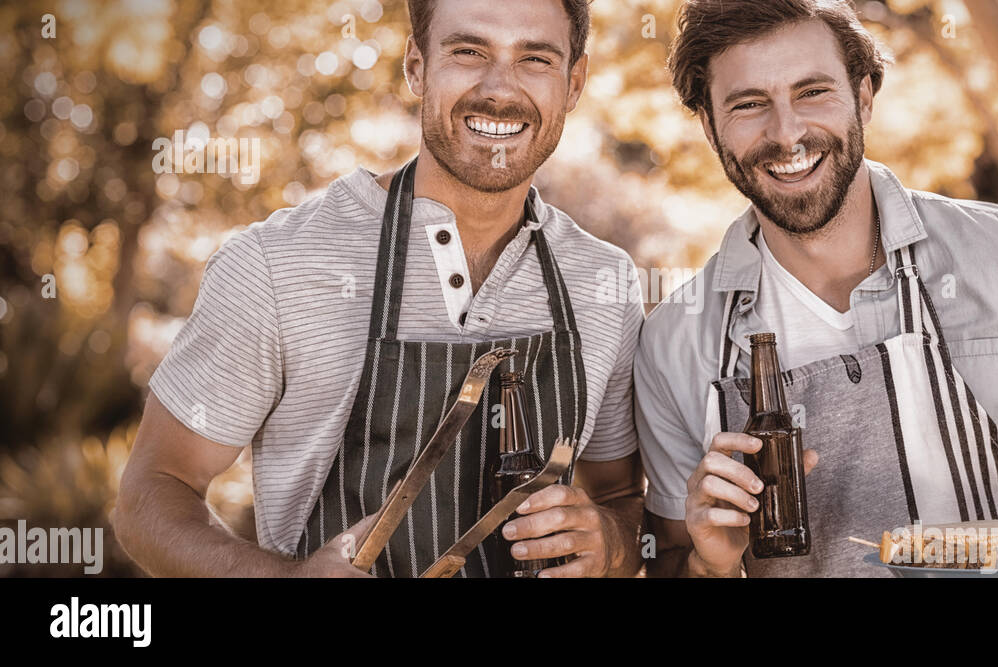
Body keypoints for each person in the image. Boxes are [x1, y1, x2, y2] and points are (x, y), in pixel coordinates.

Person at [634, 0, 998, 577]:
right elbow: (670, 557)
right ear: (708, 125)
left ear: (863, 96)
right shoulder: (674, 343)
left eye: (812, 92)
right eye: (749, 104)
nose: (788, 132)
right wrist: (709, 565)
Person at [113, 0, 645, 578]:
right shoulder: (276, 265)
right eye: (468, 51)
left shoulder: (604, 283)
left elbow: (623, 500)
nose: (500, 88)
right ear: (416, 65)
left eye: (535, 58)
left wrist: (611, 544)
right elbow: (150, 494)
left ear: (575, 82)